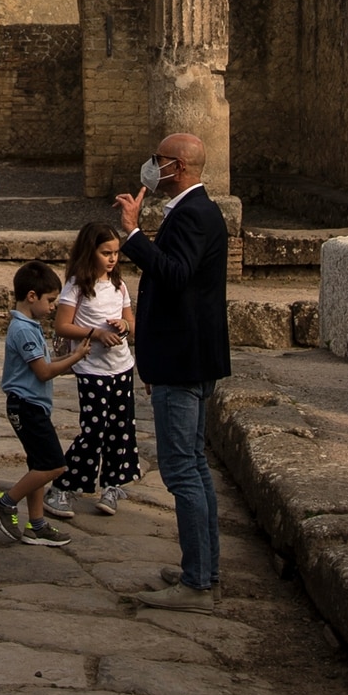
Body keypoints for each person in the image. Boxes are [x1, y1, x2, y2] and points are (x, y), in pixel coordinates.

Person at [116, 132, 228, 604]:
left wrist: (132, 235)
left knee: (181, 469)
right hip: (190, 357)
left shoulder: (193, 214)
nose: (151, 166)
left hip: (183, 362)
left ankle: (197, 583)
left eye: (157, 160)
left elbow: (176, 274)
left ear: (177, 166)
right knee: (195, 468)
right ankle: (202, 569)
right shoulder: (195, 211)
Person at [50, 220, 139, 517]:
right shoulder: (77, 286)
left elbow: (132, 323)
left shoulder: (119, 285)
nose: (112, 259)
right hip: (92, 370)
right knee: (94, 431)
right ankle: (64, 485)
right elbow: (63, 326)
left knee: (121, 428)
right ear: (91, 252)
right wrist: (96, 333)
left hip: (121, 367)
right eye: (105, 253)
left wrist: (124, 325)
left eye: (116, 253)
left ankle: (112, 485)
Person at [0, 264, 78, 548]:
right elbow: (44, 371)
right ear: (31, 296)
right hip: (26, 407)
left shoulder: (30, 327)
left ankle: (36, 524)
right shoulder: (24, 331)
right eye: (50, 300)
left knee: (38, 465)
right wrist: (77, 358)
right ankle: (6, 502)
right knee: (54, 466)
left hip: (34, 406)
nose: (53, 307)